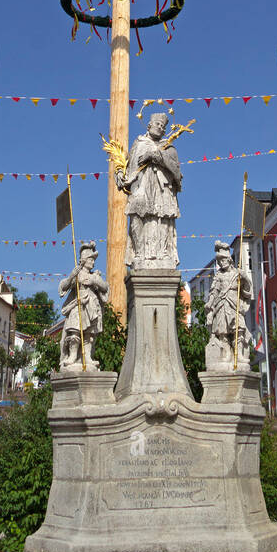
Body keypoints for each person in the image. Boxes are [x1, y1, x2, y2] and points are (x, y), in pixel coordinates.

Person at [116, 113, 183, 269]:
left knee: (163, 217)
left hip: (162, 189)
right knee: (136, 216)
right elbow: (127, 165)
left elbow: (177, 172)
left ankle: (164, 254)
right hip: (140, 187)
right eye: (157, 124)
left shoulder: (168, 147)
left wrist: (156, 156)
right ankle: (139, 253)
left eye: (163, 126)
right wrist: (119, 173)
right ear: (149, 125)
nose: (160, 127)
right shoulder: (138, 143)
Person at [58, 242, 109, 370]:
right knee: (75, 330)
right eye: (91, 259)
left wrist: (94, 280)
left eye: (93, 260)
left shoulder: (94, 276)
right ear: (84, 260)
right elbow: (64, 287)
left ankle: (87, 357)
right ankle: (73, 355)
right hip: (78, 304)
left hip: (92, 306)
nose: (93, 262)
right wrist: (72, 276)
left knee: (89, 334)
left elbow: (105, 287)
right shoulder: (77, 274)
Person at [204, 240, 253, 368]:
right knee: (223, 331)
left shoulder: (237, 273)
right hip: (222, 303)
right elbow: (214, 291)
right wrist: (210, 302)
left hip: (235, 304)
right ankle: (226, 354)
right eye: (219, 261)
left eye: (223, 260)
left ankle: (239, 355)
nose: (221, 262)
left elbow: (247, 290)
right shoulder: (218, 275)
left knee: (239, 328)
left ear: (229, 259)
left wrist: (245, 278)